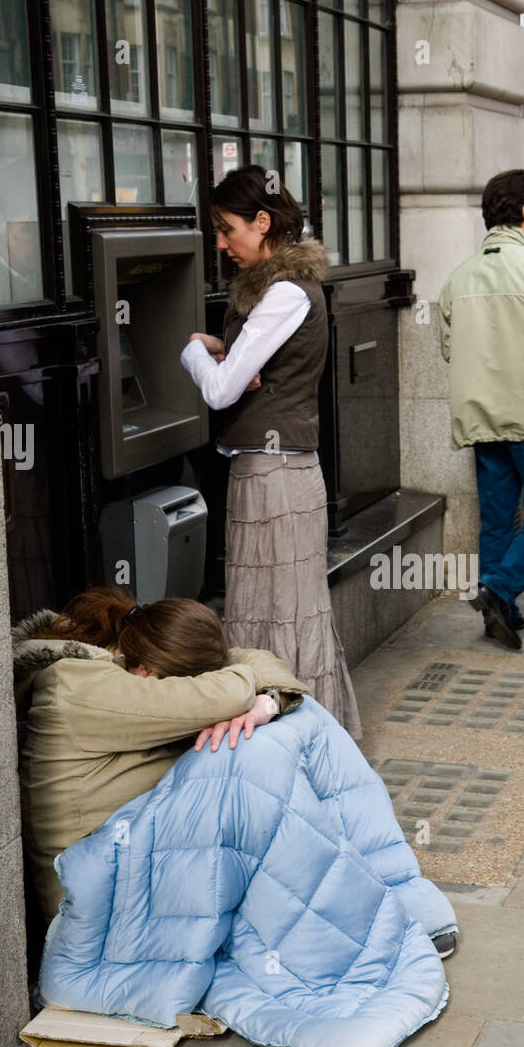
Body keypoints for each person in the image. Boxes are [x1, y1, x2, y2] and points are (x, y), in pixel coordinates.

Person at [180, 165, 361, 740]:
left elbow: (219, 389)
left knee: (281, 617)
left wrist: (194, 351)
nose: (220, 242)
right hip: (271, 471)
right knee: (274, 615)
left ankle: (302, 744)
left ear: (263, 222)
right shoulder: (281, 291)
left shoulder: (284, 292)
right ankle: (302, 741)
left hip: (276, 476)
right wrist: (228, 349)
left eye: (225, 227)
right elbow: (242, 371)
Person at [13, 586, 309, 926]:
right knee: (259, 761)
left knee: (280, 737)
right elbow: (229, 692)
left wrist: (269, 701)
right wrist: (255, 698)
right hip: (90, 908)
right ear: (148, 669)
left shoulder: (120, 659)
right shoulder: (78, 685)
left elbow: (253, 658)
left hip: (135, 866)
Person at [438, 169, 524, 650]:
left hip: (480, 418)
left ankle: (500, 610)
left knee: (497, 519)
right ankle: (501, 589)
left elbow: (449, 348)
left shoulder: (458, 277)